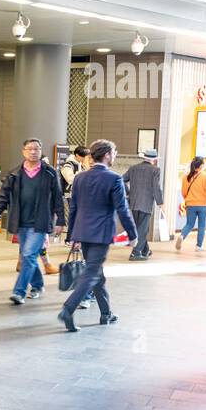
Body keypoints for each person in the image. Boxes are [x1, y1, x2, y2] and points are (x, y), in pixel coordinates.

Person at [58, 139, 137, 332]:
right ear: (107, 155)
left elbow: (73, 207)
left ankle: (106, 313)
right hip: (101, 233)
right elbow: (122, 209)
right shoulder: (114, 179)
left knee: (97, 274)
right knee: (92, 273)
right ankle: (68, 308)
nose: (115, 156)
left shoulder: (79, 178)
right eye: (114, 152)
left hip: (83, 232)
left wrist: (72, 234)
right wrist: (133, 234)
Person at [0, 138, 65, 305]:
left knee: (29, 255)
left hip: (40, 222)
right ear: (23, 151)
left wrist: (60, 220)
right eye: (29, 149)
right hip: (21, 221)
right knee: (28, 256)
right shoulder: (15, 173)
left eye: (36, 149)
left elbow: (58, 198)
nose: (33, 152)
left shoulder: (50, 173)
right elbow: (3, 196)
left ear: (40, 151)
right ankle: (37, 285)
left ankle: (19, 291)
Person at [124, 149, 164, 260]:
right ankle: (136, 253)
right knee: (143, 229)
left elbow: (121, 180)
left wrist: (128, 193)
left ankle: (145, 250)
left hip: (133, 203)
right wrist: (160, 202)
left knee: (141, 228)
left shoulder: (133, 168)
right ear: (154, 160)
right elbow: (156, 187)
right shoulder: (155, 170)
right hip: (146, 204)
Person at [176, 156, 206, 251]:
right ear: (201, 166)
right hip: (203, 205)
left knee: (189, 224)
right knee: (202, 225)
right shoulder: (205, 177)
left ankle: (182, 236)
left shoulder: (186, 177)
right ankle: (199, 246)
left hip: (190, 204)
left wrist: (188, 199)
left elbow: (184, 192)